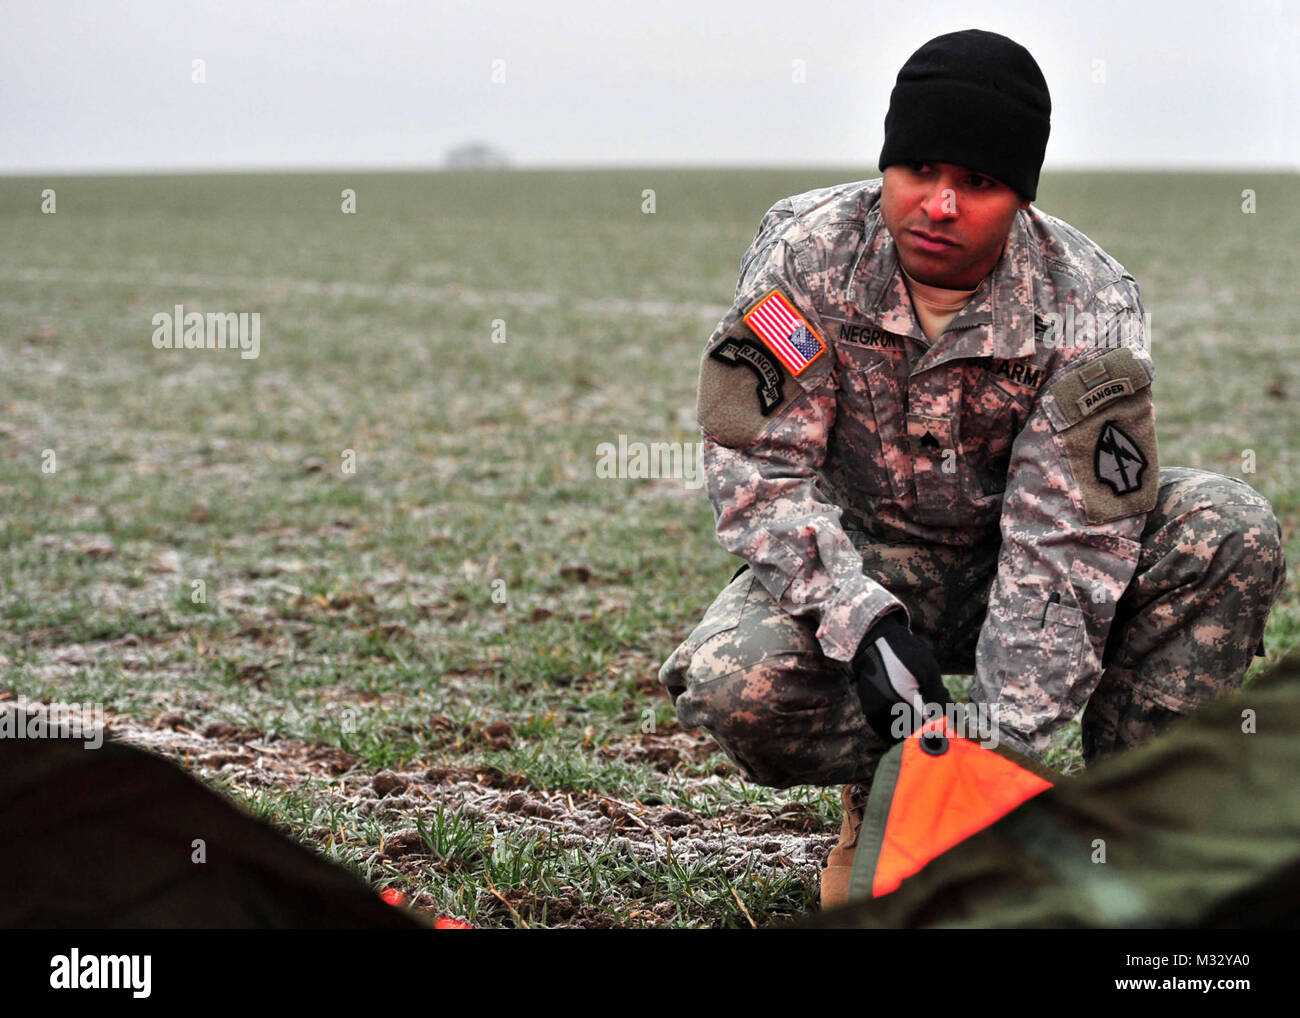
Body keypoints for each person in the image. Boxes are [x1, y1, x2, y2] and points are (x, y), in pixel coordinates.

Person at [657, 29, 1287, 909]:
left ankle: (1124, 834)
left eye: (978, 184)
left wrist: (995, 752)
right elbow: (760, 469)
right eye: (917, 170)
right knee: (737, 684)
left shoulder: (1090, 297)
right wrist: (863, 627)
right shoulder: (808, 252)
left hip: (1017, 567)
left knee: (1225, 525)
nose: (939, 205)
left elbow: (1070, 534)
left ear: (1020, 197)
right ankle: (883, 793)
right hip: (865, 554)